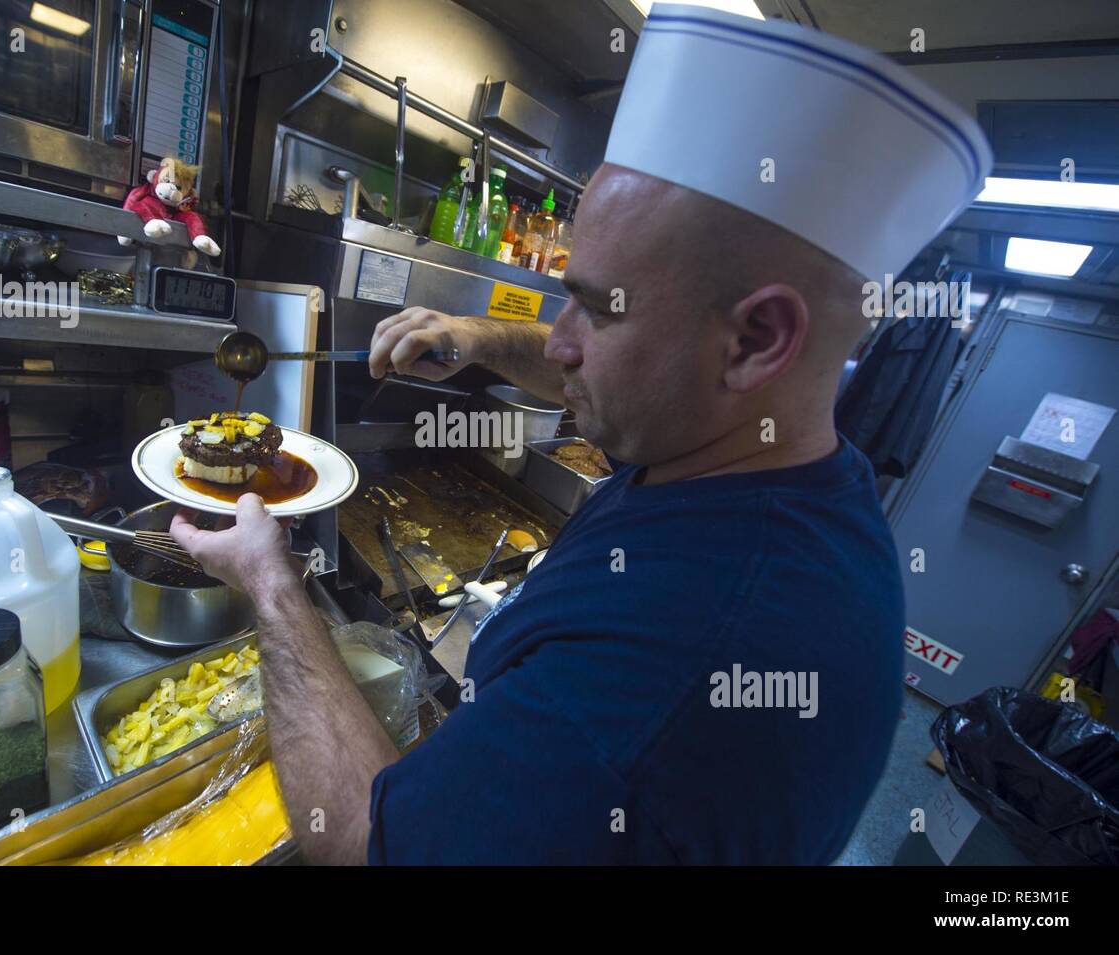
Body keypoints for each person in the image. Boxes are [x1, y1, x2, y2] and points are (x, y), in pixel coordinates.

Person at [171, 3, 992, 864]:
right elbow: (624, 381)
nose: (561, 342)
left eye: (600, 309)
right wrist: (482, 337)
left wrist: (269, 580)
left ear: (756, 340)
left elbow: (361, 846)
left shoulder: (670, 673)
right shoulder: (775, 456)